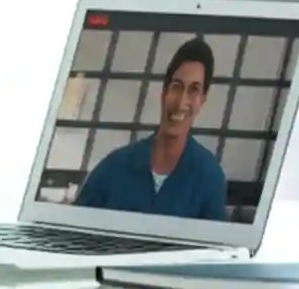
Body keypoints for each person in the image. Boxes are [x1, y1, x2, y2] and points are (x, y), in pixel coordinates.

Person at [74, 38, 228, 221]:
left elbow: (217, 249)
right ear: (164, 92)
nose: (181, 102)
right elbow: (72, 232)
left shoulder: (209, 177)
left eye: (194, 90)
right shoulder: (114, 167)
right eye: (176, 87)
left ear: (202, 100)